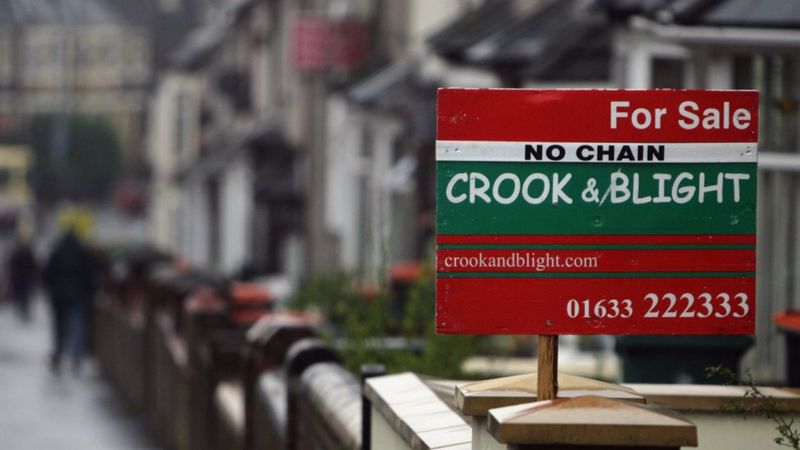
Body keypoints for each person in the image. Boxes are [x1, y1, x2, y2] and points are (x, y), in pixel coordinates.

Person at [43, 229, 96, 374]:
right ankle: (76, 357)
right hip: (78, 296)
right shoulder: (82, 254)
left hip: (59, 297)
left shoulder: (57, 253)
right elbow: (88, 276)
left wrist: (51, 292)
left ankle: (59, 353)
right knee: (76, 327)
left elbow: (48, 275)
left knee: (59, 328)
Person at [6, 237, 38, 322]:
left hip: (19, 279)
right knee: (25, 296)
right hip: (25, 279)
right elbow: (33, 267)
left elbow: (12, 266)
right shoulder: (28, 253)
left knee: (21, 296)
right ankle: (25, 312)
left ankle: (22, 311)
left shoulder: (16, 253)